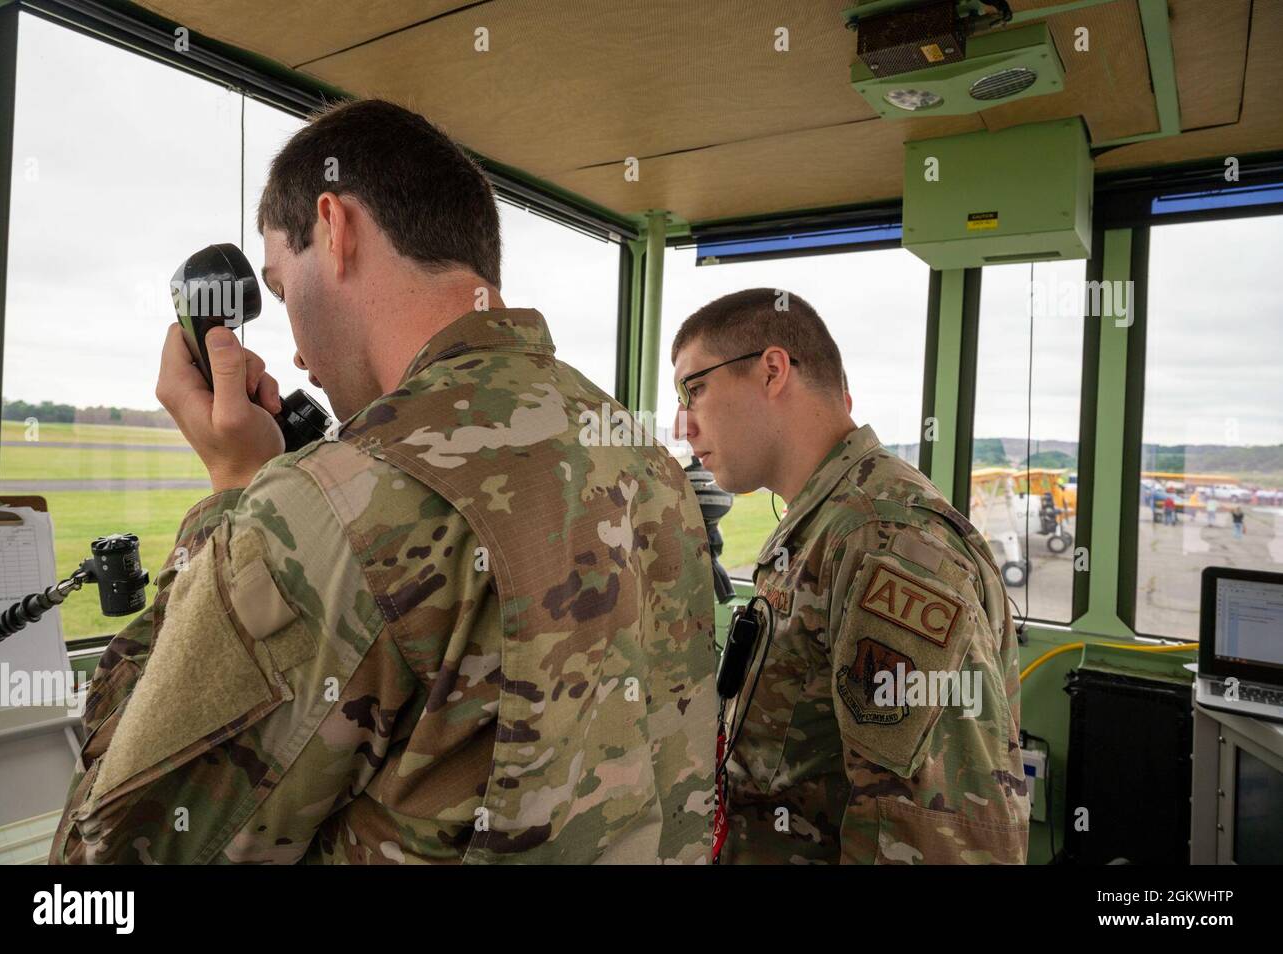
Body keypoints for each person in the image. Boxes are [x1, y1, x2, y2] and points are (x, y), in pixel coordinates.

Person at [50, 99, 718, 865]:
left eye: (280, 287)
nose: (298, 356)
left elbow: (103, 860)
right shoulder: (647, 461)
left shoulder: (330, 508)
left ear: (334, 228)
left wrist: (234, 494)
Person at [671, 288, 1029, 865]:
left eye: (694, 389)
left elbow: (933, 839)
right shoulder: (827, 523)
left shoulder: (880, 538)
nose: (682, 425)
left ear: (771, 370)